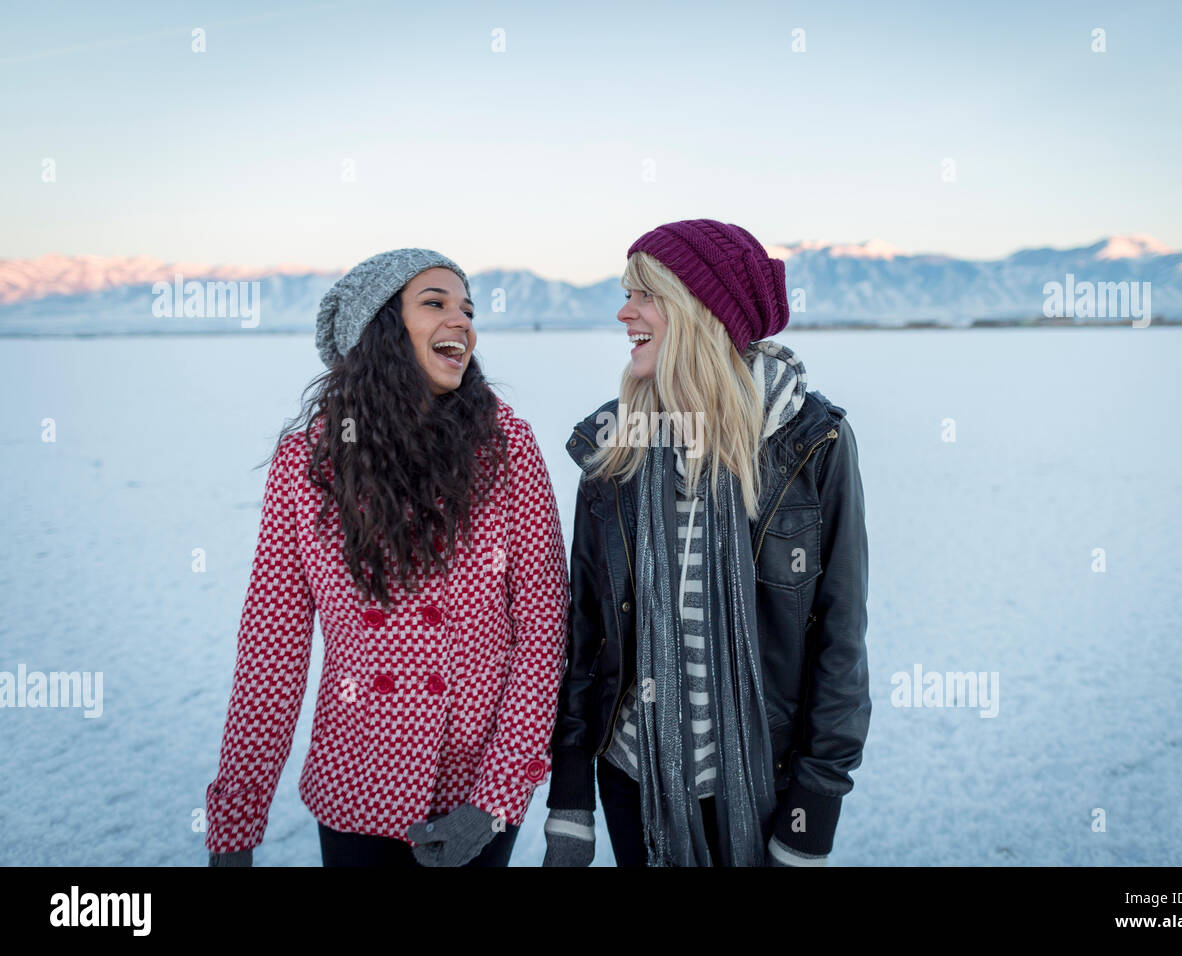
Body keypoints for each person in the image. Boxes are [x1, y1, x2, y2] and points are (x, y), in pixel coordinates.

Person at [204, 248, 570, 867]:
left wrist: (497, 798)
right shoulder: (308, 464)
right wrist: (235, 825)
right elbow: (273, 648)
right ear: (377, 328)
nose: (462, 322)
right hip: (357, 781)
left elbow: (541, 631)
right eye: (435, 303)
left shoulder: (505, 448)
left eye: (468, 308)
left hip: (474, 789)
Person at [541, 219, 870, 867]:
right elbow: (586, 635)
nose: (623, 312)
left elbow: (840, 637)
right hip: (632, 775)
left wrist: (812, 812)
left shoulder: (812, 442)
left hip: (762, 779)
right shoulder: (616, 447)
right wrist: (571, 799)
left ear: (701, 311)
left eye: (645, 294)